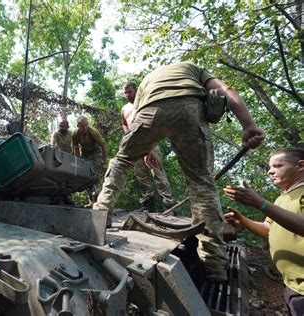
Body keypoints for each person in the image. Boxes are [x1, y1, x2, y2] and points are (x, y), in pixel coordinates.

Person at [94, 62, 265, 282]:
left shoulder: (149, 79)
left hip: (150, 110)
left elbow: (137, 116)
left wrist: (146, 146)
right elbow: (226, 91)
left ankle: (99, 215)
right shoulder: (193, 68)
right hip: (190, 109)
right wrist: (248, 125)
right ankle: (214, 263)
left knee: (122, 160)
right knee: (201, 182)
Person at [223, 147, 304, 315]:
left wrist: (261, 203)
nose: (270, 171)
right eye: (270, 167)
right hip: (291, 282)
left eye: (277, 166)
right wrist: (243, 221)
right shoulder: (281, 199)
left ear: (301, 165)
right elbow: (268, 230)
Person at [122, 82, 176, 211]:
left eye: (130, 91)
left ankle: (169, 204)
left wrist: (150, 147)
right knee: (141, 175)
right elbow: (124, 123)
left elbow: (154, 123)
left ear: (136, 91)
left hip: (150, 142)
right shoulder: (124, 108)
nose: (127, 95)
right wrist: (128, 134)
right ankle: (147, 205)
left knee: (157, 171)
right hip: (134, 144)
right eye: (125, 92)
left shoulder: (144, 103)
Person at [72, 115, 108, 208]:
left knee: (94, 174)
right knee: (85, 176)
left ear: (87, 125)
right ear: (78, 126)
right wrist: (78, 161)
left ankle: (97, 201)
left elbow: (103, 146)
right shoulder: (75, 134)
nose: (84, 128)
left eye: (85, 125)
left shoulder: (93, 132)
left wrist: (104, 162)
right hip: (85, 154)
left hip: (96, 153)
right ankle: (91, 201)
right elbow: (75, 148)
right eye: (82, 126)